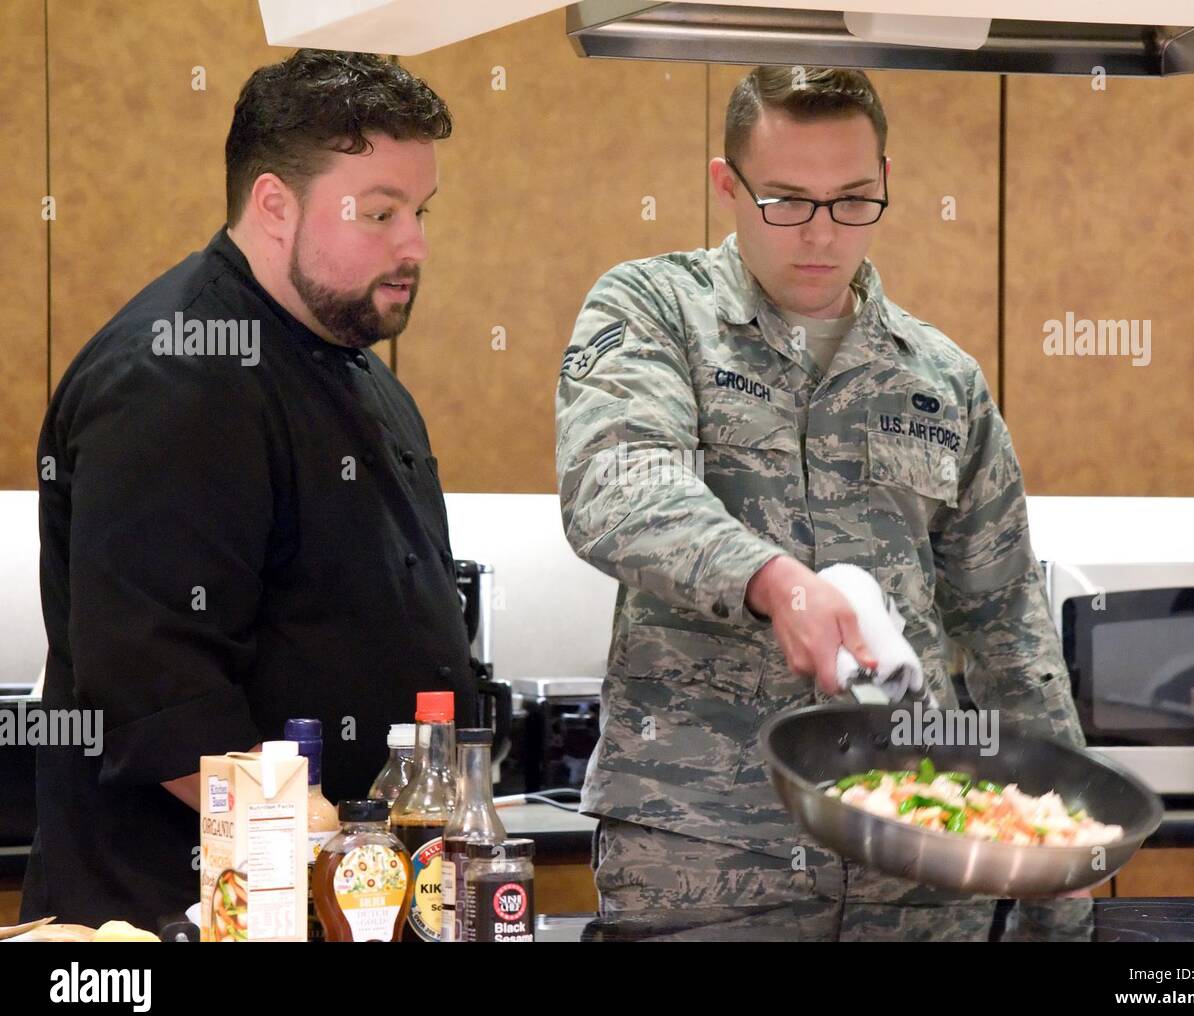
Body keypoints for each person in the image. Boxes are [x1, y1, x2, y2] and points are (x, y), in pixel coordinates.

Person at [555, 66, 1085, 929]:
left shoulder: (941, 378)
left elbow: (1006, 627)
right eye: (787, 201)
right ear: (727, 185)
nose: (821, 234)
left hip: (916, 864)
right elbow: (616, 483)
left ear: (884, 183)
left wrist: (1062, 850)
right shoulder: (656, 310)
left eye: (852, 200)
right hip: (708, 864)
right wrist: (777, 582)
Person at [23, 49, 473, 929]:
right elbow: (163, 704)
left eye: (419, 212)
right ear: (274, 204)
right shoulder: (174, 375)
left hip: (332, 902)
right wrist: (350, 867)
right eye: (378, 212)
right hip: (183, 910)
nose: (413, 244)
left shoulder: (356, 370)